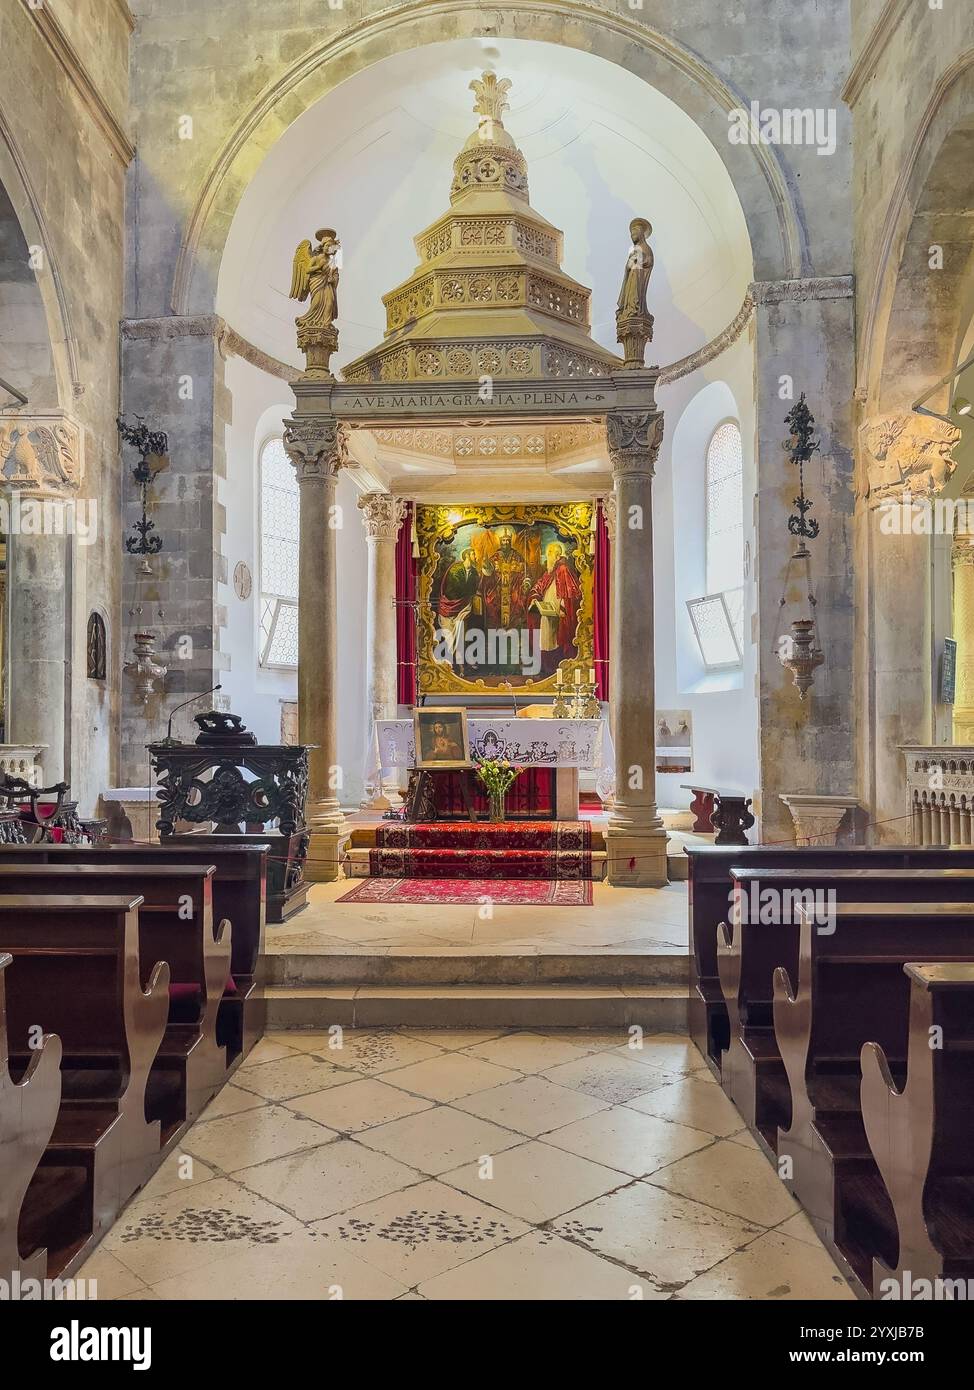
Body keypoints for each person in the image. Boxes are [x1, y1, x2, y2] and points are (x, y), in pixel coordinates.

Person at [527, 541, 582, 676]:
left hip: (558, 614)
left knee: (556, 640)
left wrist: (563, 608)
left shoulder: (563, 569)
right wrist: (534, 598)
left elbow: (570, 592)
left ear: (557, 556)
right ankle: (548, 669)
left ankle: (555, 670)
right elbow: (539, 586)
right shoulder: (550, 572)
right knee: (546, 640)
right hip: (547, 612)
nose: (547, 558)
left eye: (549, 554)